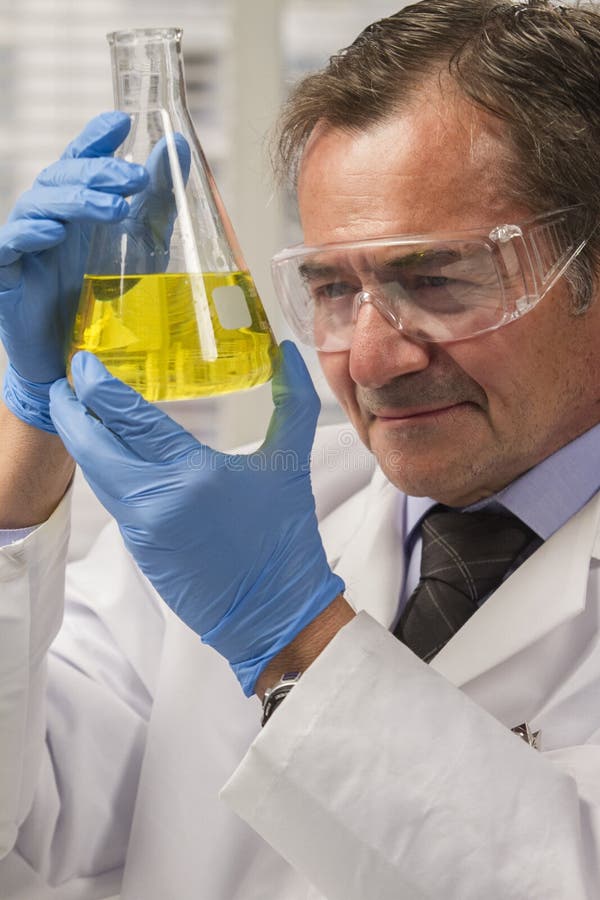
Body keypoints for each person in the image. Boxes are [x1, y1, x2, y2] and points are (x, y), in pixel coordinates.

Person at [2, 0, 600, 896]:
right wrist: (30, 440)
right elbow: (21, 828)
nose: (371, 359)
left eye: (437, 279)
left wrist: (291, 637)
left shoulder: (255, 572)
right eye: (330, 289)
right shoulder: (244, 523)